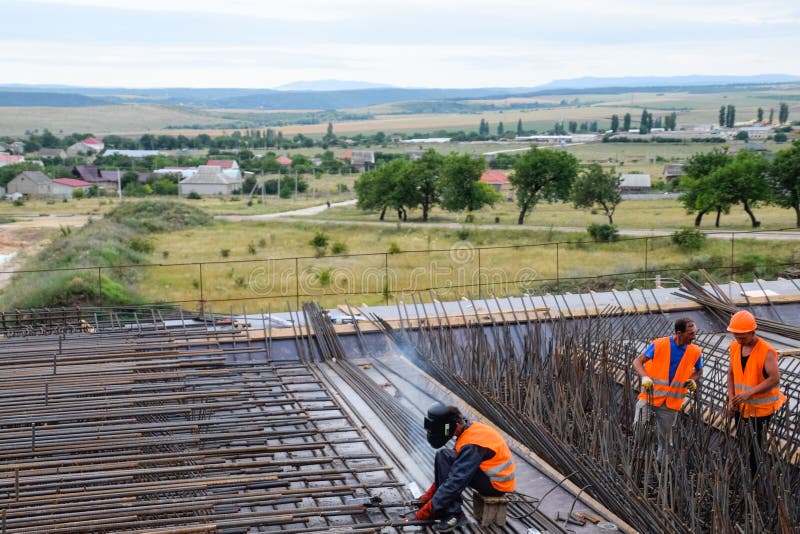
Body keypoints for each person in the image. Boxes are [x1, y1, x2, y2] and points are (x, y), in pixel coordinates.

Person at [415, 403, 515, 532]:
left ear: (455, 425)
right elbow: (449, 469)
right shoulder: (468, 429)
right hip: (487, 476)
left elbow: (456, 480)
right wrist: (430, 495)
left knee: (449, 465)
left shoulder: (472, 444)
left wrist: (431, 508)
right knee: (444, 456)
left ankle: (454, 514)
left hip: (495, 485)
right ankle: (446, 508)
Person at [632, 317, 703, 461]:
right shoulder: (659, 344)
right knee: (639, 427)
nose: (694, 336)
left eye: (695, 332)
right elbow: (637, 361)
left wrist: (692, 380)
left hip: (671, 402)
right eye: (691, 333)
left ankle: (662, 465)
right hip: (649, 395)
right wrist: (645, 377)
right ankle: (640, 458)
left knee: (665, 438)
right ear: (679, 333)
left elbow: (699, 370)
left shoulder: (695, 351)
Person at [725, 310, 786, 476]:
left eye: (743, 337)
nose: (739, 340)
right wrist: (731, 399)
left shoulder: (766, 351)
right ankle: (745, 473)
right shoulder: (735, 347)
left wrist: (749, 393)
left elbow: (774, 379)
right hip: (741, 406)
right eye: (736, 336)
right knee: (742, 442)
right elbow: (731, 373)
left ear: (753, 332)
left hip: (761, 410)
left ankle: (754, 479)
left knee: (755, 446)